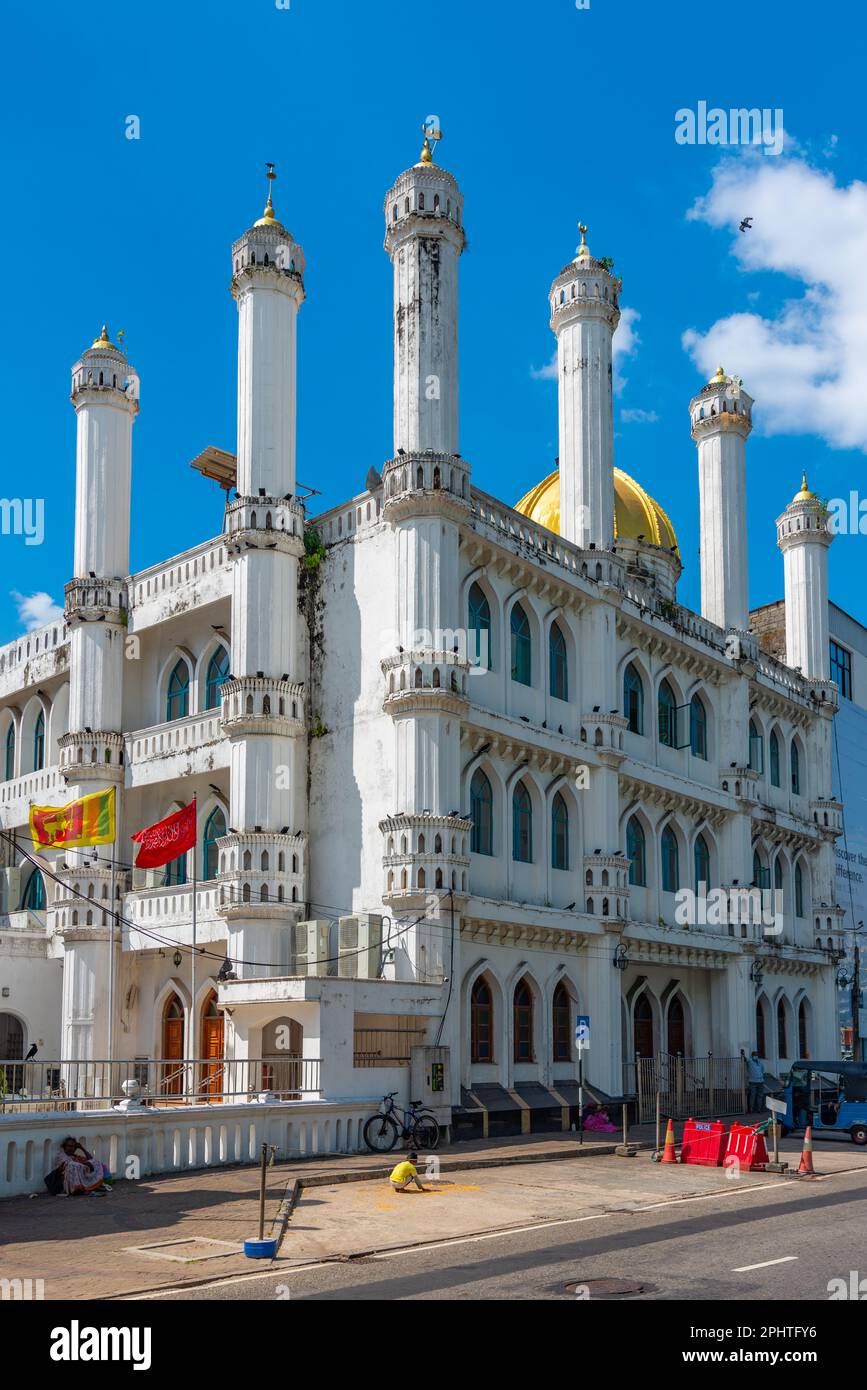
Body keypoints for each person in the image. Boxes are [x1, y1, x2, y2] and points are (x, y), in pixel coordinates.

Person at [45, 1137, 111, 1196]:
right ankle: (79, 1189)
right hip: (65, 1181)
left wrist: (82, 1148)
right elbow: (67, 1166)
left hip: (80, 1177)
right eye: (69, 1146)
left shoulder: (75, 1156)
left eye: (73, 1146)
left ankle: (91, 1186)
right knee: (72, 1166)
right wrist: (83, 1165)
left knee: (95, 1162)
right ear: (64, 1147)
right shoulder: (61, 1156)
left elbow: (91, 1159)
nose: (71, 1148)